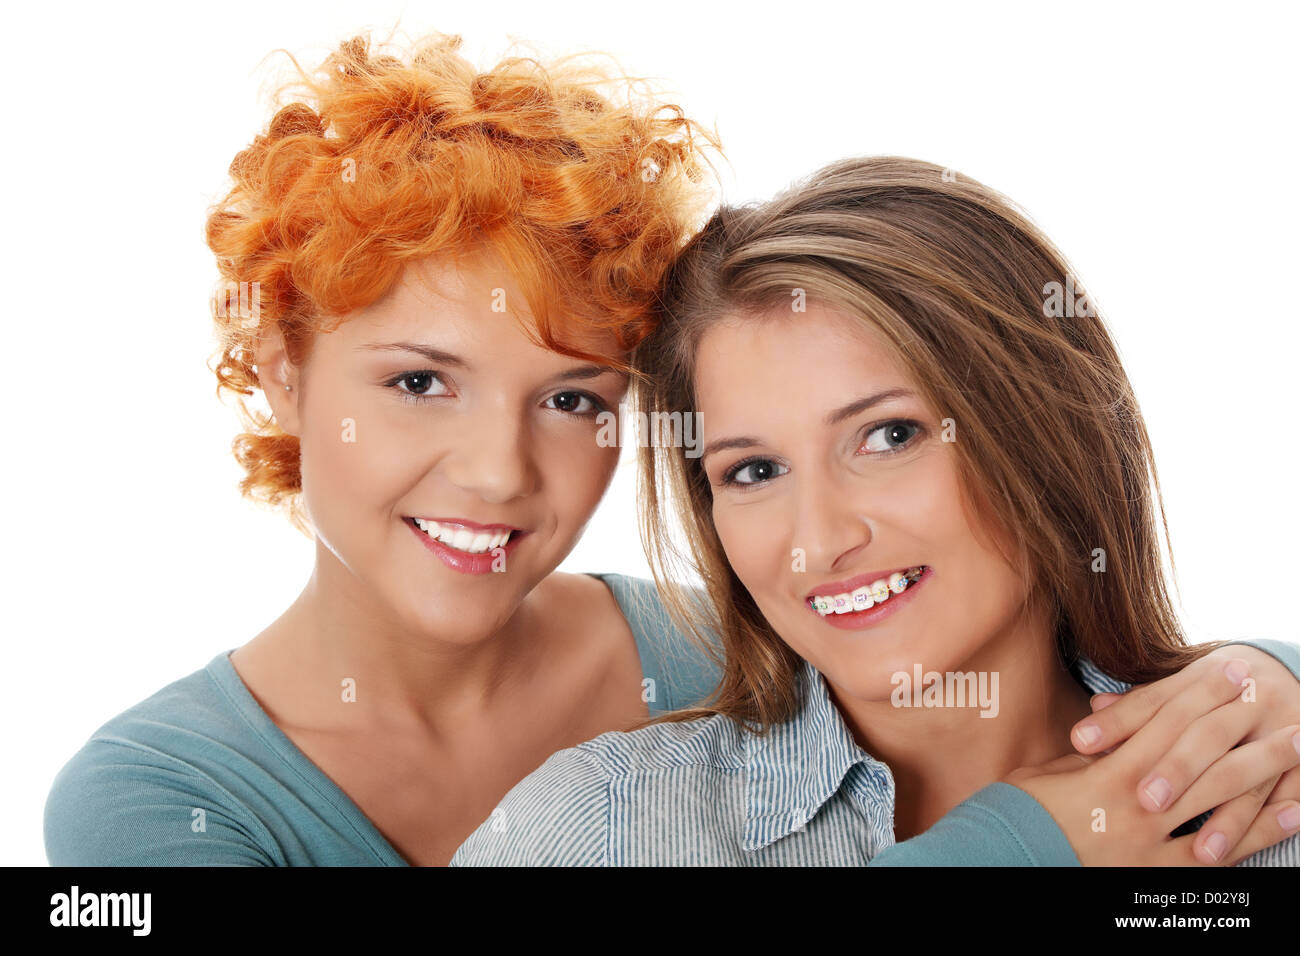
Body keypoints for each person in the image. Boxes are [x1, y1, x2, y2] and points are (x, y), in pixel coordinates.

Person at [451, 157, 1300, 865]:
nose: (819, 541)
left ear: (1042, 431)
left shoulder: (1266, 790)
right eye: (753, 471)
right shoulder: (598, 832)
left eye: (888, 435)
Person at [42, 30, 723, 867]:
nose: (497, 471)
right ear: (285, 375)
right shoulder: (157, 796)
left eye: (571, 400)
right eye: (420, 384)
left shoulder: (730, 662)